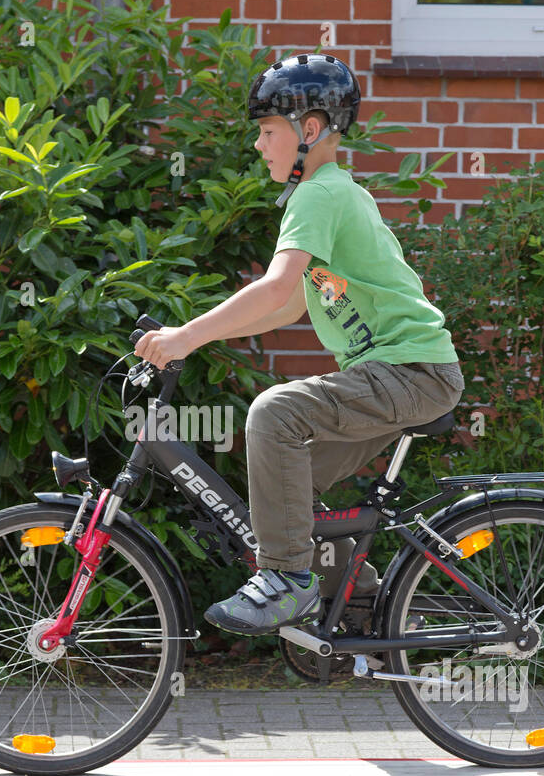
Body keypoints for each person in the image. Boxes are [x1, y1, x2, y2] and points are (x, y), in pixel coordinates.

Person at [133, 53, 464, 636]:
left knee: (275, 413)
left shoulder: (319, 195)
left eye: (267, 132)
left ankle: (287, 579)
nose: (259, 146)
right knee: (288, 480)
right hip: (405, 374)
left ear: (309, 131)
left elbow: (278, 286)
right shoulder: (332, 192)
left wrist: (185, 337)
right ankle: (359, 602)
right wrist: (197, 340)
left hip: (410, 373)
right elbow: (287, 305)